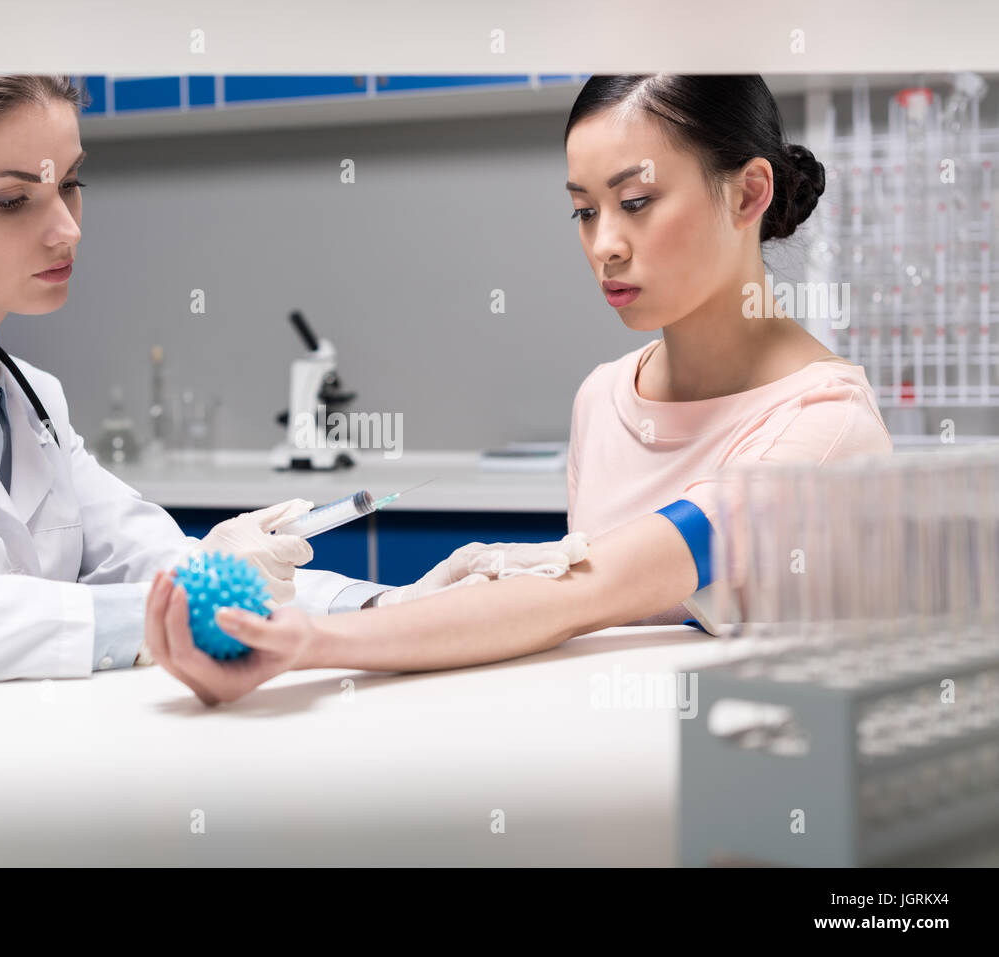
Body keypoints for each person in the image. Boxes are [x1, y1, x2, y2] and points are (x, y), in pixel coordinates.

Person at [0, 75, 560, 689]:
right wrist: (172, 612)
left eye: (72, 182)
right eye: (14, 200)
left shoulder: (31, 405)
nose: (67, 226)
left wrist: (397, 609)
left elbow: (168, 561)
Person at [144, 73, 895, 705]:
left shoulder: (824, 426)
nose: (604, 243)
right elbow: (582, 624)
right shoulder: (603, 399)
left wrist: (308, 641)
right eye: (583, 209)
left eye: (635, 202)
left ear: (748, 192)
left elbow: (586, 594)